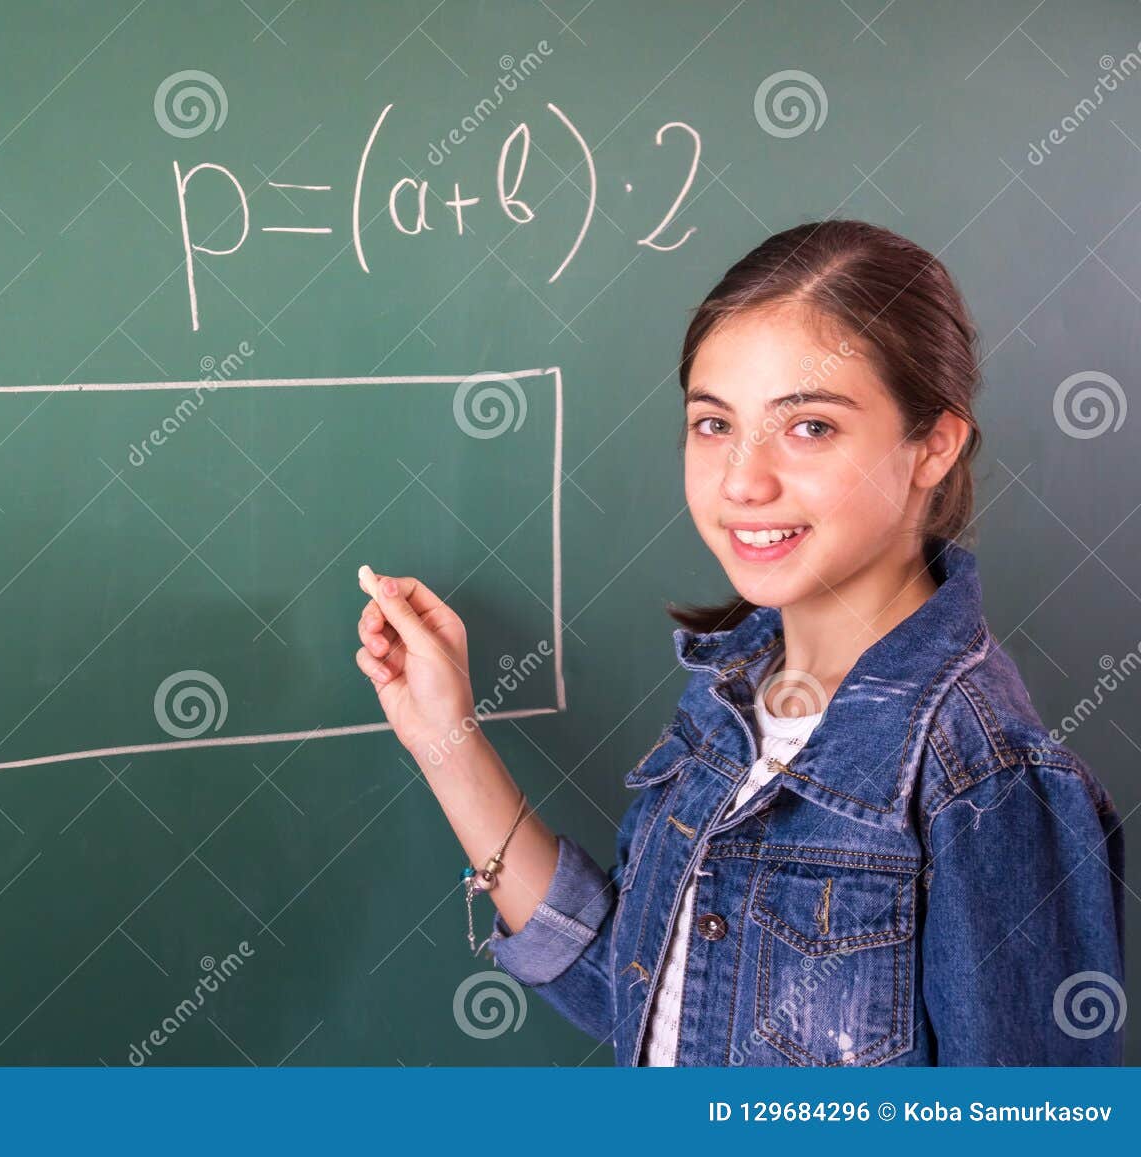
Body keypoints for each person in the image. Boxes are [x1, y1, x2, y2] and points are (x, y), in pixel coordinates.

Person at [354, 219, 1125, 1066]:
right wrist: (445, 737)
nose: (743, 481)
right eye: (715, 423)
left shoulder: (987, 781)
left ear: (932, 446)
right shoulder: (733, 697)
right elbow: (645, 999)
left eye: (811, 427)